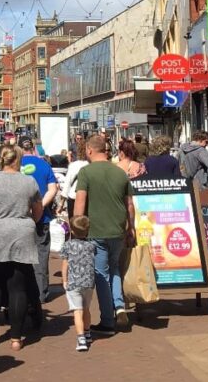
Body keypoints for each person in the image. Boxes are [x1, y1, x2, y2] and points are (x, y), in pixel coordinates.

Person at [0, 144, 42, 351]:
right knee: (18, 287)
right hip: (22, 232)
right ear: (18, 160)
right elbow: (38, 210)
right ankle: (16, 337)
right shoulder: (29, 181)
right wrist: (27, 221)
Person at [73, 135, 135, 335]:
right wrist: (131, 228)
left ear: (90, 150)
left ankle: (108, 320)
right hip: (118, 229)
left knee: (101, 273)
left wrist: (77, 228)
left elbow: (80, 201)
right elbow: (129, 204)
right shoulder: (120, 172)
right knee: (114, 268)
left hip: (96, 229)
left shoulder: (86, 172)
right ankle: (119, 306)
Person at [19, 137, 59, 304]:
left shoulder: (15, 165)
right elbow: (53, 189)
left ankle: (21, 292)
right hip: (42, 217)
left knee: (20, 255)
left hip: (19, 217)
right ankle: (41, 293)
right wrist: (40, 205)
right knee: (41, 254)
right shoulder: (44, 165)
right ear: (33, 148)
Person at [62, 215, 96, 353]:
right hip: (88, 282)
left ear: (72, 231)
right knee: (86, 308)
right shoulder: (91, 245)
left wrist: (64, 280)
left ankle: (81, 338)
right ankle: (87, 333)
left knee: (77, 311)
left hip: (74, 282)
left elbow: (65, 264)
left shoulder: (68, 245)